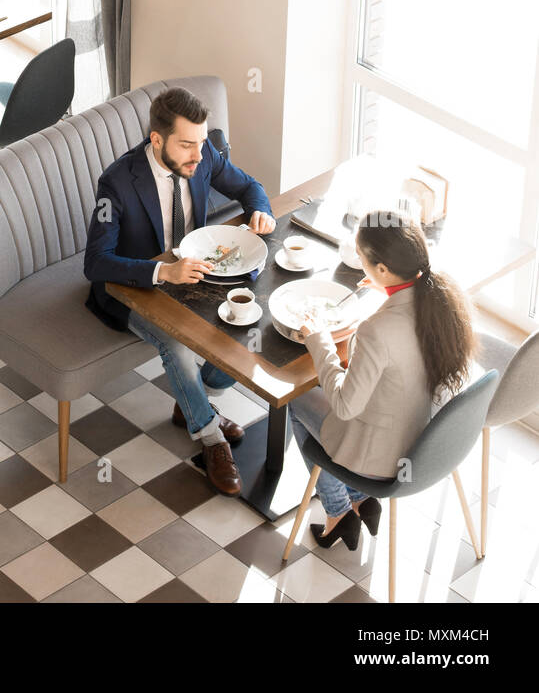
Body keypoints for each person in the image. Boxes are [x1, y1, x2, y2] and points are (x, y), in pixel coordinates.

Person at [84, 86, 276, 497]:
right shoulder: (117, 183)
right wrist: (162, 273)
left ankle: (195, 401)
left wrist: (262, 211)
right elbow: (96, 263)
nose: (198, 154)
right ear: (157, 140)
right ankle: (210, 438)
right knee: (178, 344)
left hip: (194, 277)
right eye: (187, 144)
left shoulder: (203, 157)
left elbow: (251, 187)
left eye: (202, 143)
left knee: (253, 317)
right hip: (134, 287)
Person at [289, 211, 475, 549]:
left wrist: (320, 341)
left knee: (295, 399)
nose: (359, 262)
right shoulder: (440, 297)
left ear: (384, 269)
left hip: (382, 458)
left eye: (361, 258)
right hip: (422, 445)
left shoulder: (376, 331)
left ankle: (338, 512)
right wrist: (385, 289)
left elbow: (346, 406)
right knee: (325, 386)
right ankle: (360, 499)